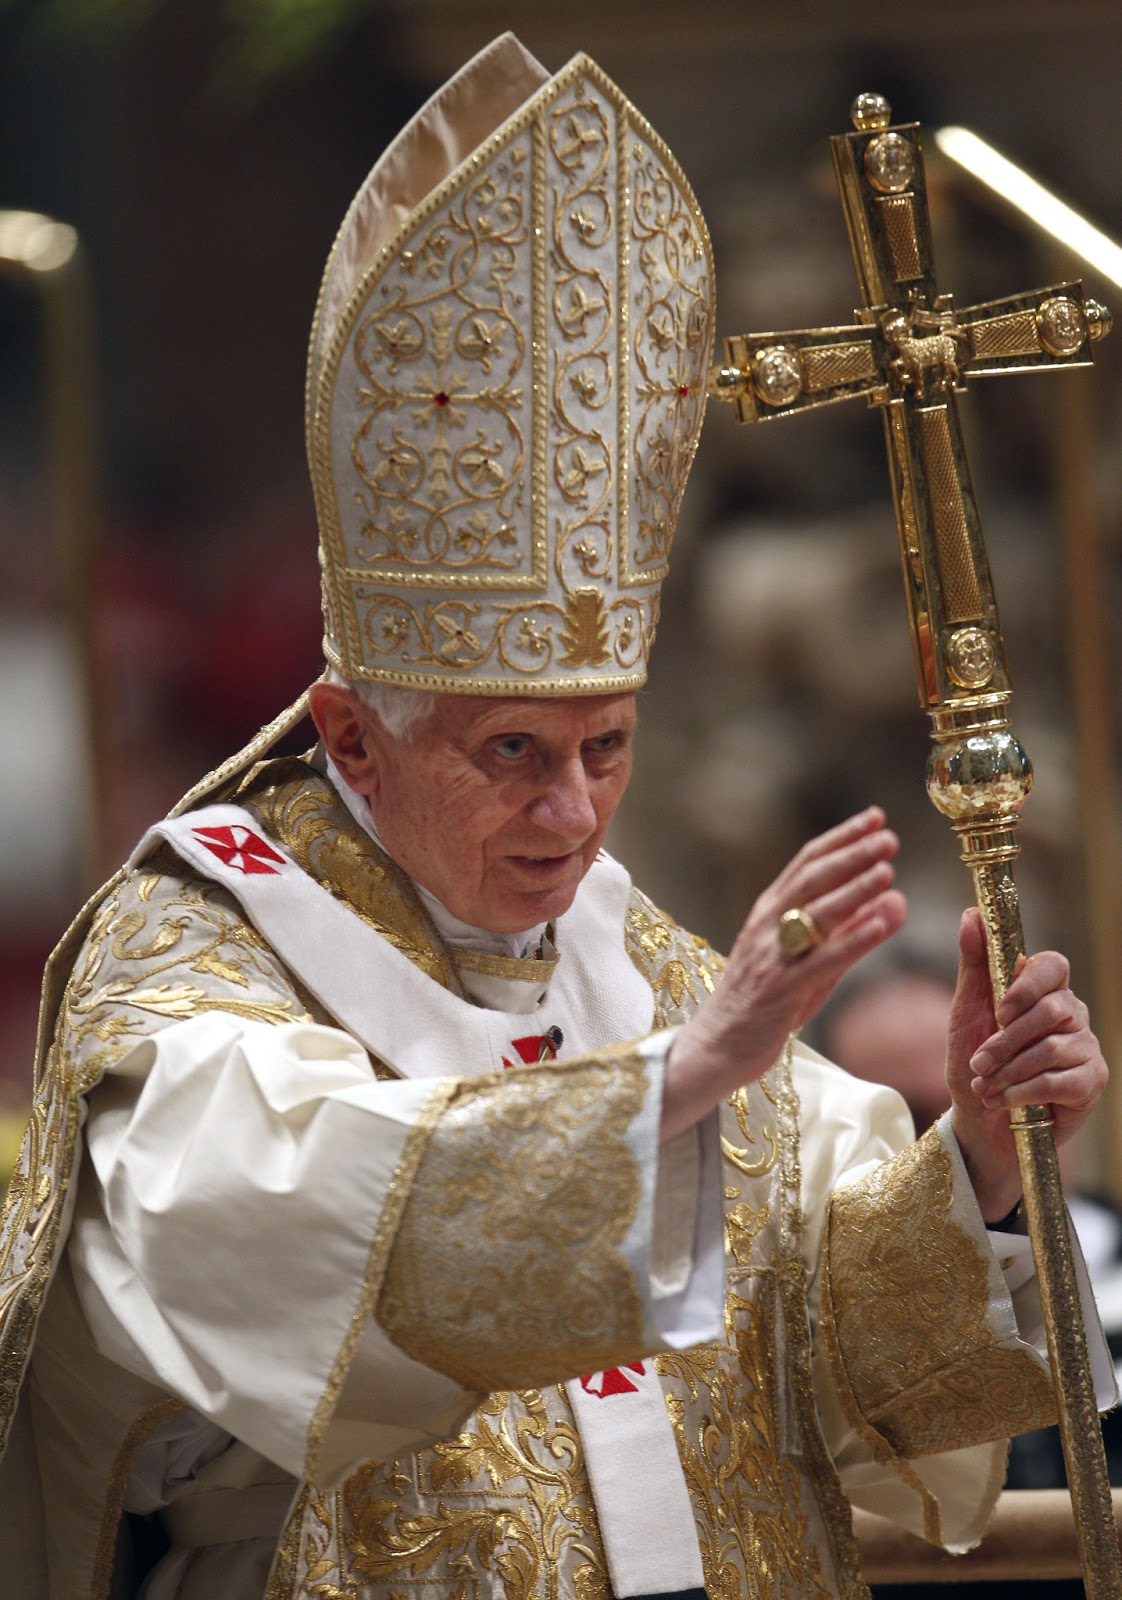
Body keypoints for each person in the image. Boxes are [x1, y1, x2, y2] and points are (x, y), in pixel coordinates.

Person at [0, 32, 1113, 1600]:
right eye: (510, 748)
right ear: (349, 738)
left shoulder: (630, 954)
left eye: (607, 746)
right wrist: (663, 1094)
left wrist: (977, 1170)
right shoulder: (194, 950)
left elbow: (826, 1354)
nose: (570, 812)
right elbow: (253, 1234)